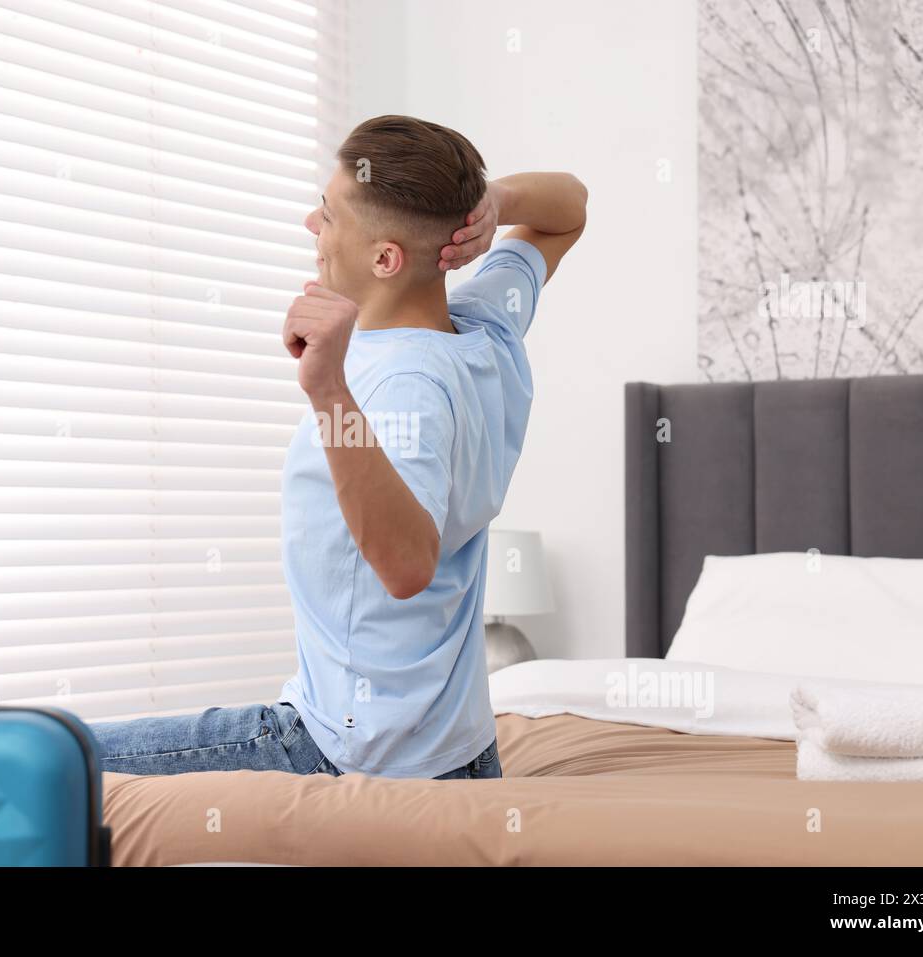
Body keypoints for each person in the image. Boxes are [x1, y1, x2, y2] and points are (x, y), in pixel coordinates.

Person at [93, 115, 587, 780]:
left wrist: (328, 389)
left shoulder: (406, 386)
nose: (310, 226)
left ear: (385, 259)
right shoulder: (483, 326)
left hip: (359, 756)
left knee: (42, 759)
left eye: (328, 216)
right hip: (456, 750)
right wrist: (495, 202)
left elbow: (409, 564)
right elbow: (569, 208)